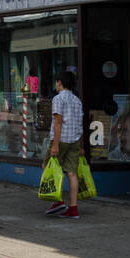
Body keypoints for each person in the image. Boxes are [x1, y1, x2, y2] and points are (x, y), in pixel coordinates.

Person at [45, 70, 85, 218]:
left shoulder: (58, 99)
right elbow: (79, 123)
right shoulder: (77, 100)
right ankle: (73, 208)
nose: (56, 85)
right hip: (74, 140)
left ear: (60, 83)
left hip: (60, 139)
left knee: (48, 167)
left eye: (56, 82)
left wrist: (55, 145)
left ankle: (58, 200)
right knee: (72, 173)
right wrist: (80, 145)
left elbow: (58, 121)